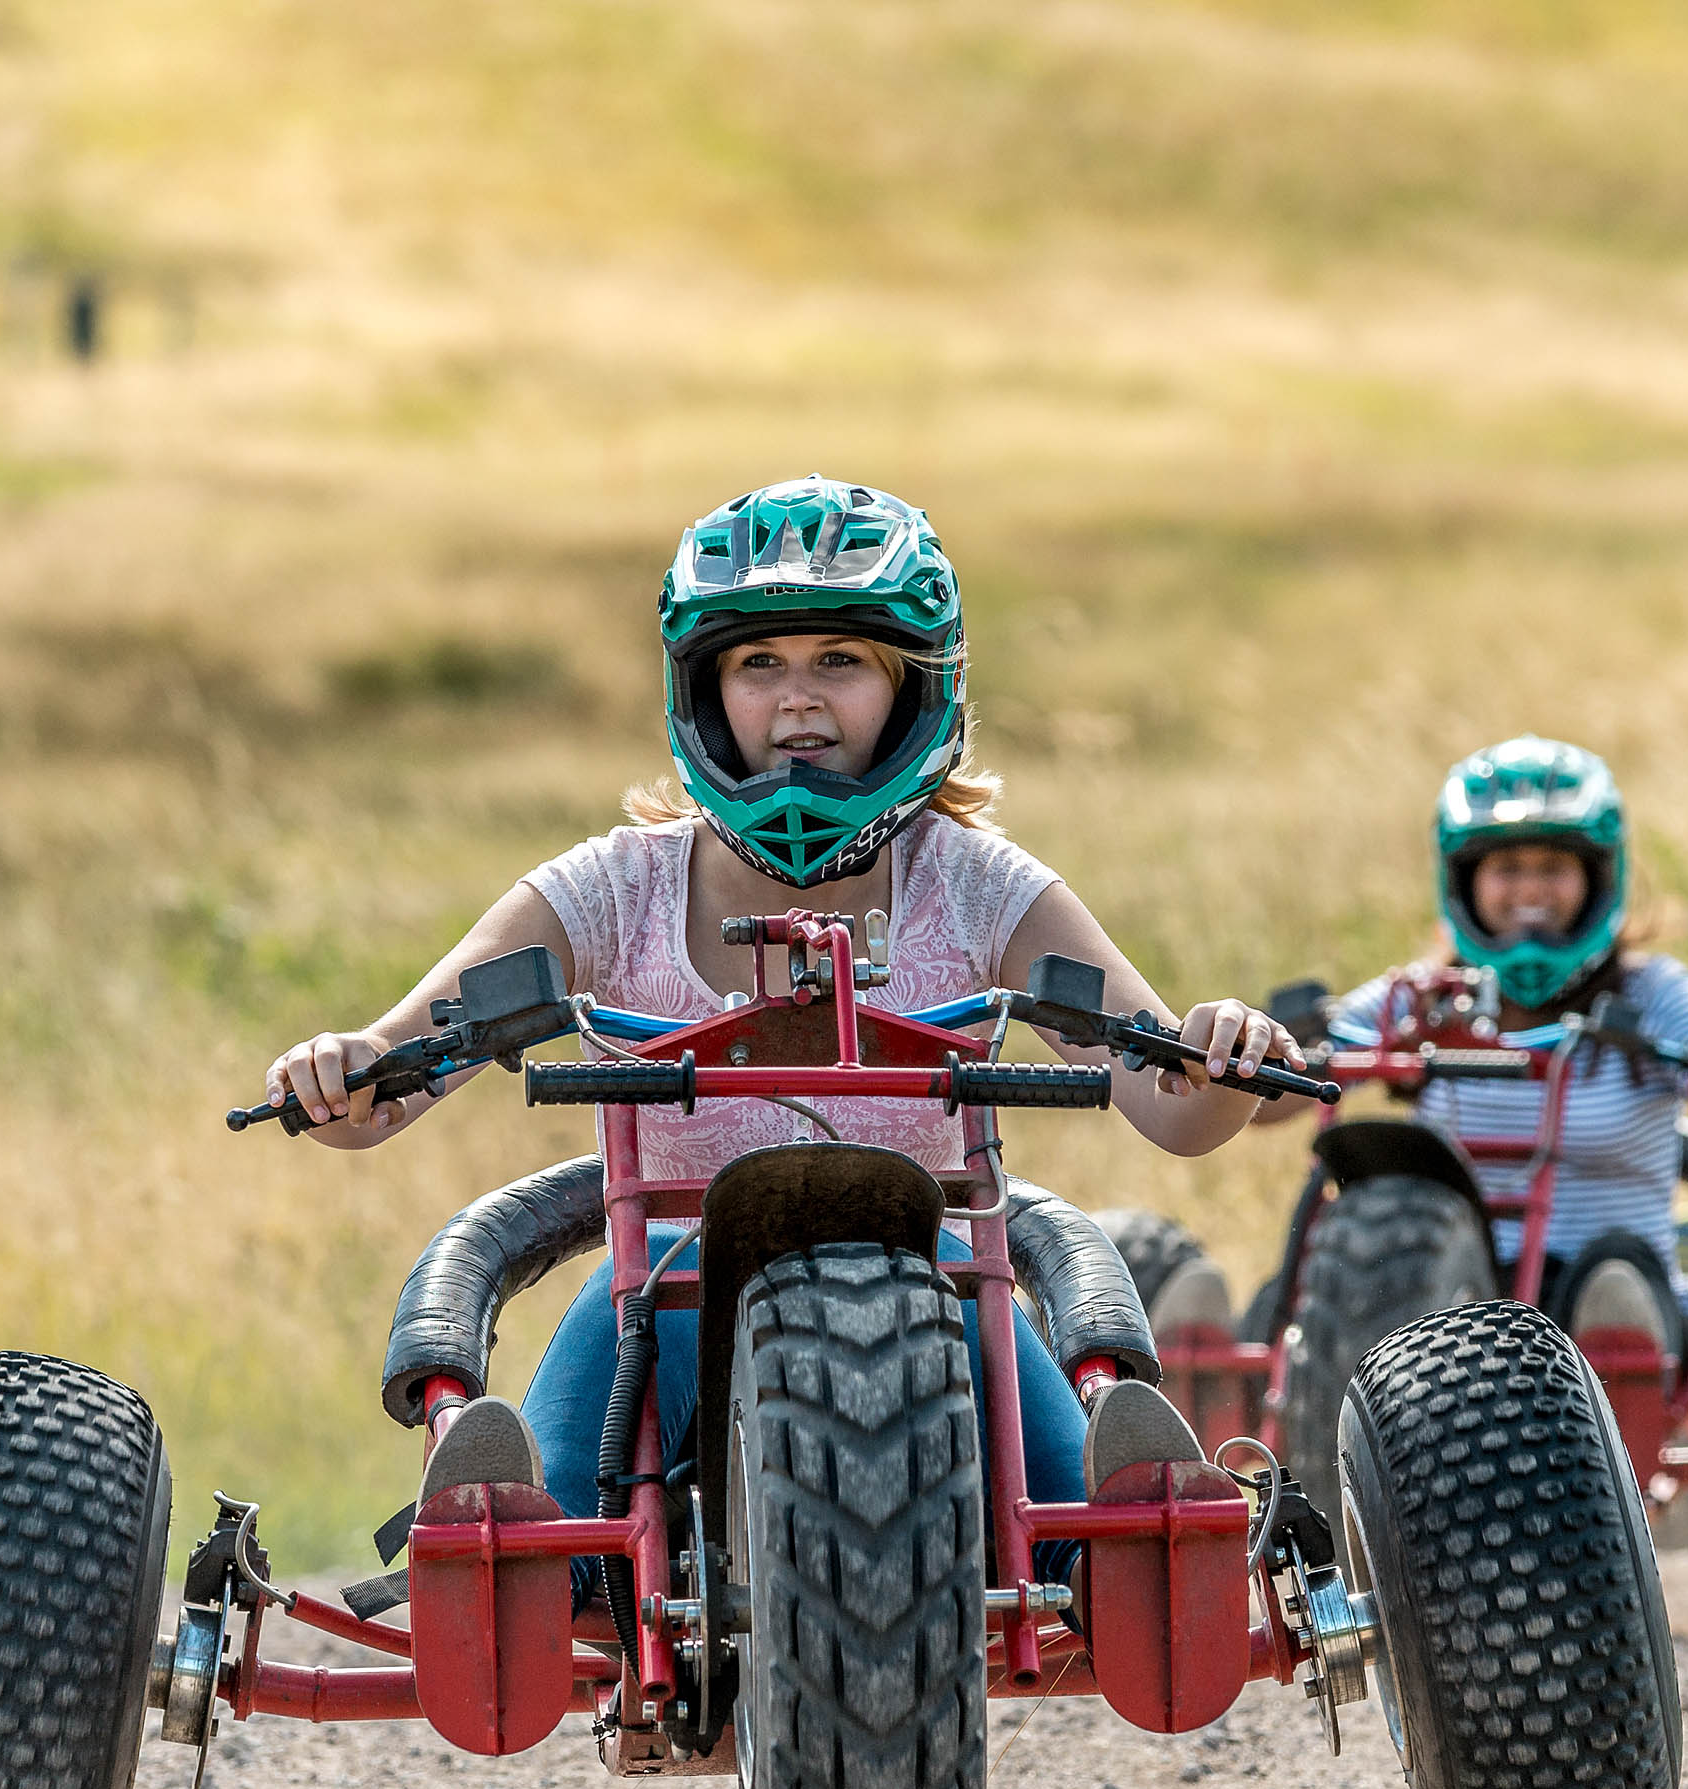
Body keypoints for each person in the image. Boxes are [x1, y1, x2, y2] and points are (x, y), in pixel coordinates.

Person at [259, 475, 1292, 1525]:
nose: (799, 697)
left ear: (915, 684)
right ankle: (500, 1518)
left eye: (841, 659)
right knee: (538, 1541)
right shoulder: (611, 888)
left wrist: (1221, 1055)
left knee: (1107, 1537)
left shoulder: (985, 887)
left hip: (943, 1269)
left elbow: (1173, 1107)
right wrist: (345, 1068)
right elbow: (397, 1069)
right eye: (760, 663)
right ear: (706, 691)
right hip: (659, 1287)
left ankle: (1138, 1508)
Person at [1292, 736, 1688, 1355]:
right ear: (1466, 882)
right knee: (1350, 1265)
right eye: (1507, 869)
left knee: (1612, 1277)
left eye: (1553, 868)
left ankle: (1598, 1405)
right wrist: (1250, 1058)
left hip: (1614, 1297)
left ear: (1597, 878)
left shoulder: (1652, 992)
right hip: (1450, 1305)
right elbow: (1286, 1086)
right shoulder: (1426, 997)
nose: (1531, 890)